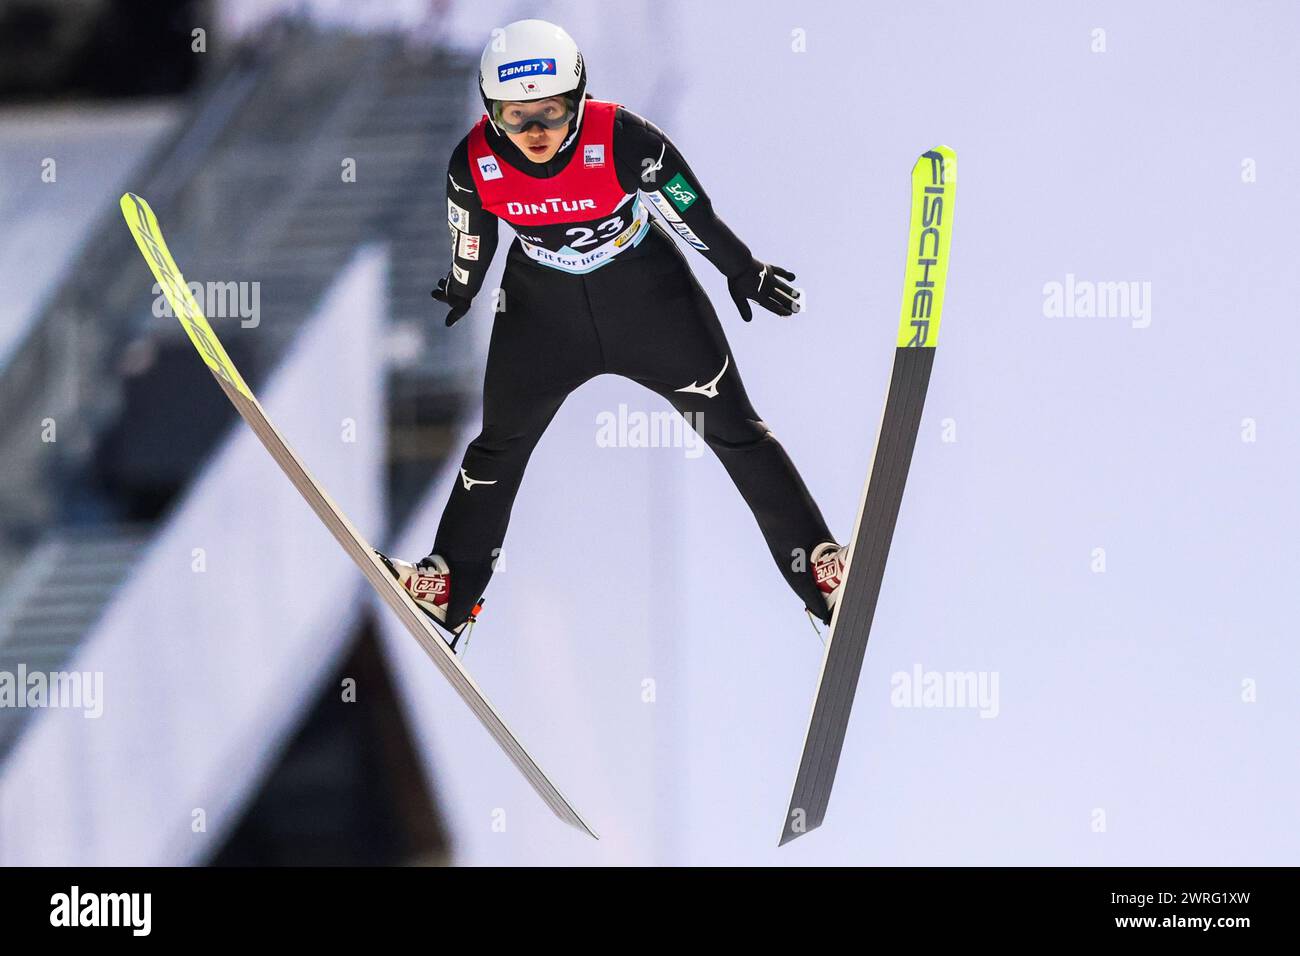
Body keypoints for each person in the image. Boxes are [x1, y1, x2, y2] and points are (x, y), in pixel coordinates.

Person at [383, 19, 846, 642]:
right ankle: (451, 588)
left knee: (736, 430)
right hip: (542, 312)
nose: (536, 133)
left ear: (578, 99)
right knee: (498, 446)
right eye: (516, 118)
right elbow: (473, 234)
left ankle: (820, 574)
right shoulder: (472, 162)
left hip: (648, 299)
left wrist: (743, 269)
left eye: (549, 113)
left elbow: (689, 208)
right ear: (493, 113)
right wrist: (463, 285)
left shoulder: (624, 138)